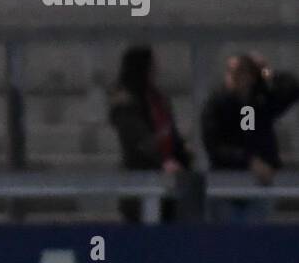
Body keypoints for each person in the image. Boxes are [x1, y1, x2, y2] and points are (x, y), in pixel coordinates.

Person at [201, 53, 299, 222]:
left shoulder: (260, 101)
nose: (234, 78)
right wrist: (249, 161)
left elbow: (293, 88)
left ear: (250, 77)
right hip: (227, 187)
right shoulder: (217, 104)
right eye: (231, 72)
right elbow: (215, 147)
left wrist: (267, 72)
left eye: (240, 72)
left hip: (259, 188)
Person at [108, 45, 191, 223]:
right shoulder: (125, 101)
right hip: (141, 180)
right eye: (152, 65)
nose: (156, 69)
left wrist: (184, 157)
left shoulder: (158, 99)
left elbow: (171, 133)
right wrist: (163, 162)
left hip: (171, 184)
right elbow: (138, 138)